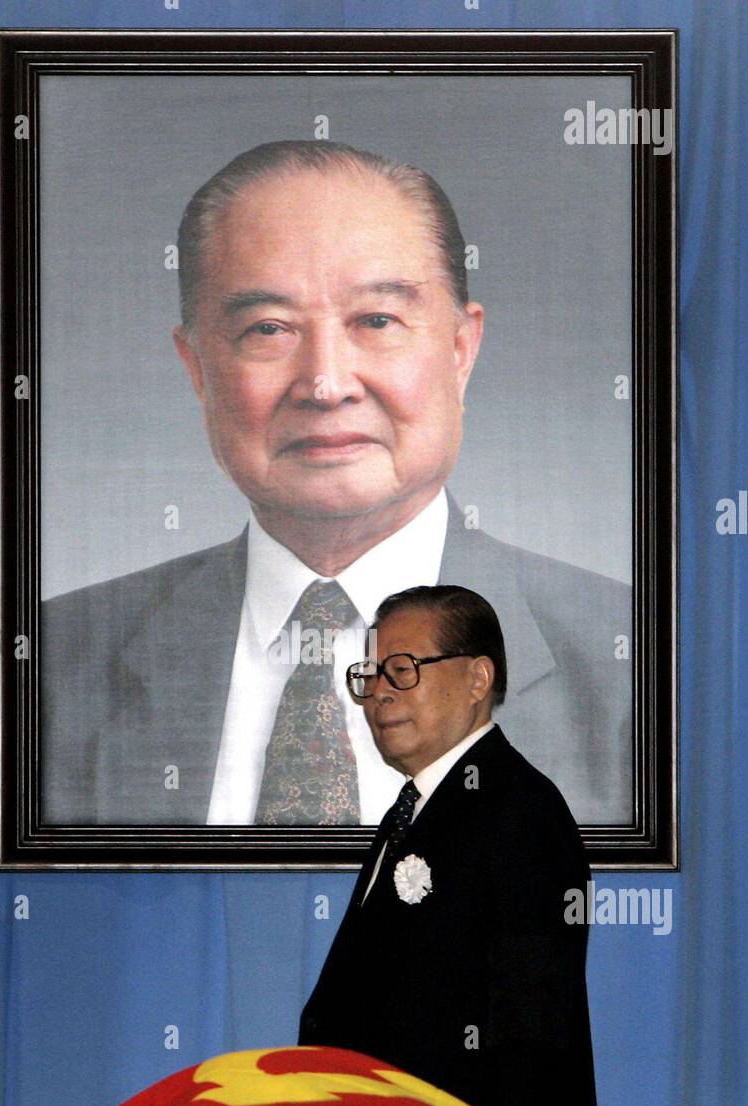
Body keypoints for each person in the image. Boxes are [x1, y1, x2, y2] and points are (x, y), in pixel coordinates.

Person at [41, 139, 630, 828]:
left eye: (376, 321)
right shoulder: (46, 668)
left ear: (459, 350)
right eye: (268, 329)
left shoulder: (642, 667)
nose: (325, 384)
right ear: (197, 367)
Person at [298, 584, 602, 1106]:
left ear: (477, 679)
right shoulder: (414, 809)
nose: (380, 694)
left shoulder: (519, 812)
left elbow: (528, 1037)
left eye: (404, 670)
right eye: (371, 673)